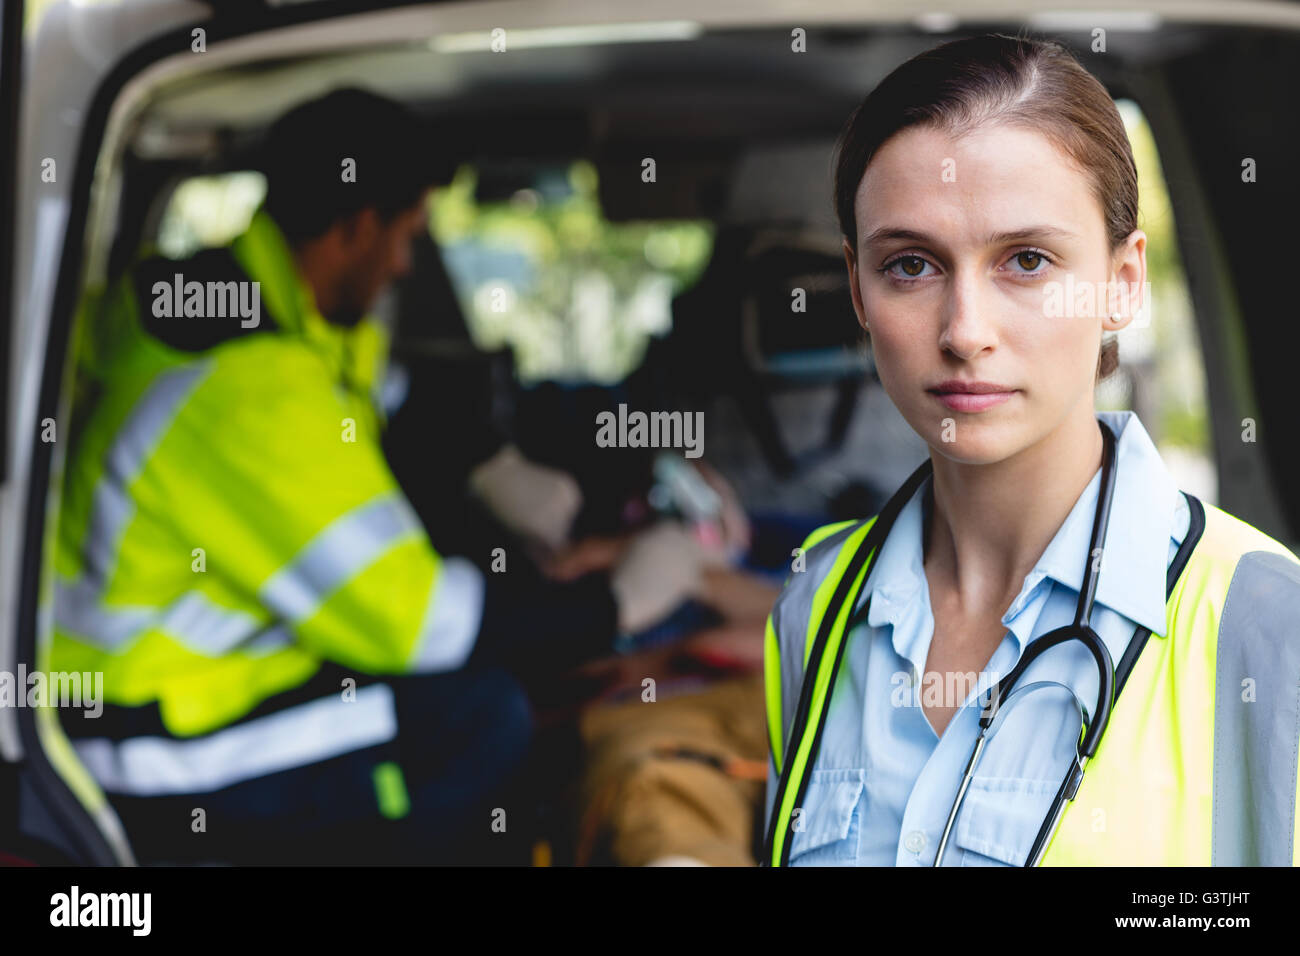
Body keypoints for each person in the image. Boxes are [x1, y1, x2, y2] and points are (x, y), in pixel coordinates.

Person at [50, 87, 703, 864]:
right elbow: (426, 626)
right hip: (146, 736)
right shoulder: (251, 392)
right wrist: (622, 600)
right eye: (406, 236)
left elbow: (388, 397)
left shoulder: (231, 302)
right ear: (357, 228)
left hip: (169, 682)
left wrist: (490, 466)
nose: (402, 265)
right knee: (478, 716)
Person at [763, 34, 1300, 867]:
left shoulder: (1271, 625)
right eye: (910, 265)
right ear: (859, 290)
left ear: (1123, 281)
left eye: (1026, 260)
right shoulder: (815, 607)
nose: (965, 332)